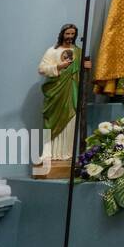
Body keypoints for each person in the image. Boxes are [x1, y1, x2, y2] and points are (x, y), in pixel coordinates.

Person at [37, 23, 81, 167]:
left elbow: (81, 73)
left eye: (72, 34)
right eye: (67, 34)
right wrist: (58, 67)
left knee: (71, 121)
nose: (69, 37)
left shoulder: (78, 52)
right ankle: (48, 154)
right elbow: (42, 69)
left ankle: (66, 154)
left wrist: (86, 67)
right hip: (56, 91)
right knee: (52, 122)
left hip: (72, 91)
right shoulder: (52, 51)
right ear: (62, 34)